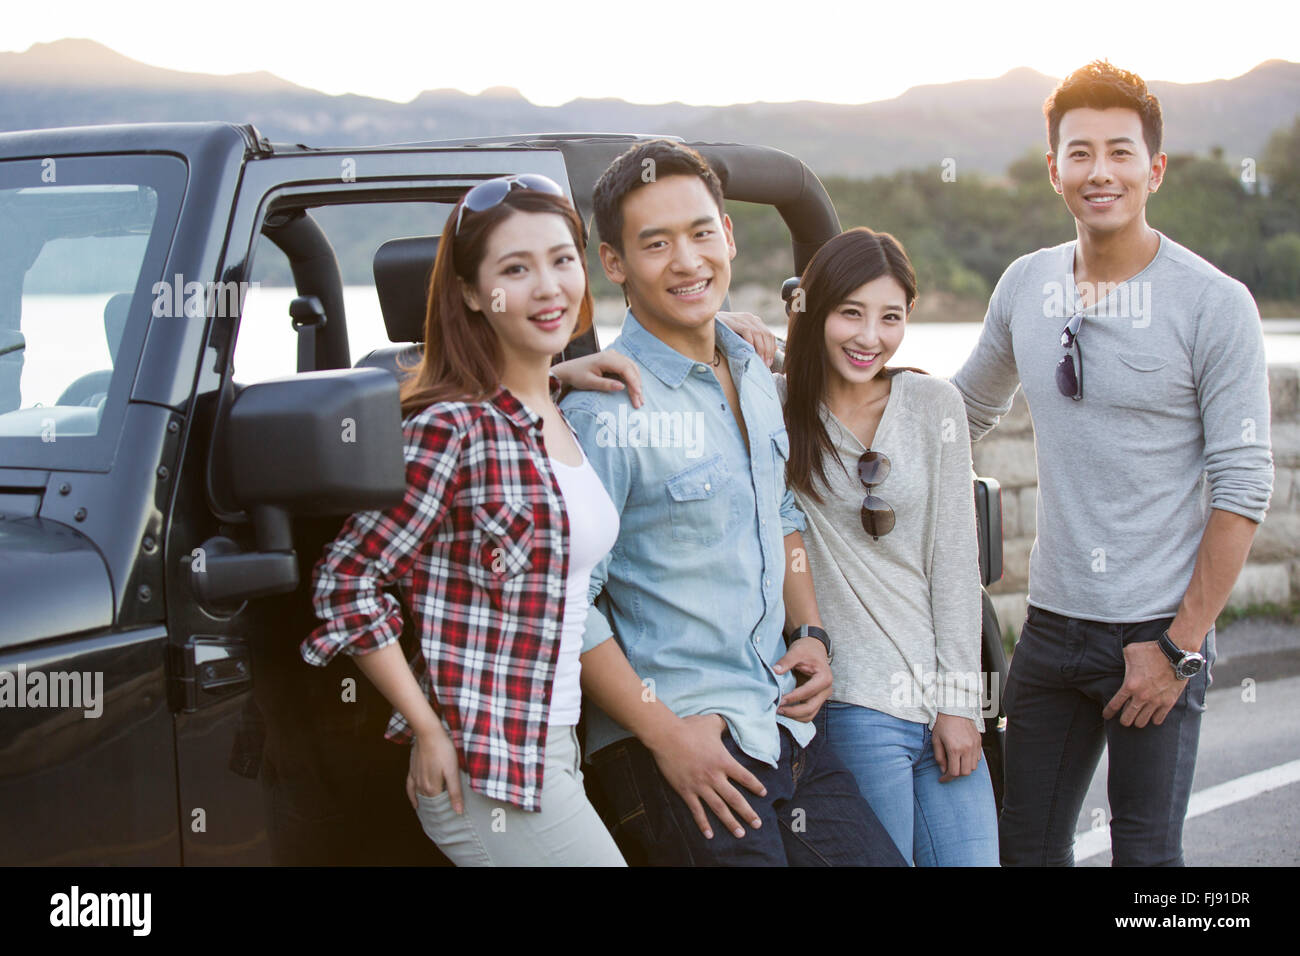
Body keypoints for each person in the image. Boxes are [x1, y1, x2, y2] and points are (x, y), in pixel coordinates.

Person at [950, 61, 1274, 866]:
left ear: (1154, 169)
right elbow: (958, 412)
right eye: (1080, 152)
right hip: (1053, 630)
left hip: (1157, 630)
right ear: (1054, 165)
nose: (1101, 171)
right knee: (1021, 843)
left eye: (1121, 152)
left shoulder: (1213, 303)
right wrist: (803, 366)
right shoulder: (1026, 284)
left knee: (1145, 857)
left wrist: (1177, 648)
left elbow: (1243, 487)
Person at [559, 139, 905, 866]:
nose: (687, 261)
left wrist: (810, 633)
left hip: (785, 727)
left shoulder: (751, 368)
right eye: (656, 243)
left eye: (700, 232)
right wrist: (663, 734)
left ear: (730, 235)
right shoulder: (606, 413)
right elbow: (569, 603)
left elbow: (780, 516)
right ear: (614, 264)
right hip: (679, 747)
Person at [301, 173, 644, 866]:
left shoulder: (544, 404)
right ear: (467, 293)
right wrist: (425, 726)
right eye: (515, 269)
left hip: (552, 749)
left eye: (561, 258)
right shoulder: (452, 428)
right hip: (484, 769)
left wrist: (563, 372)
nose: (548, 286)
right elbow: (347, 581)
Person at [772, 227, 999, 866]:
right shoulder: (777, 408)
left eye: (890, 317)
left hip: (941, 705)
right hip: (854, 706)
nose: (870, 336)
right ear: (812, 309)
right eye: (850, 312)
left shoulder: (933, 405)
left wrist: (961, 706)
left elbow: (957, 564)